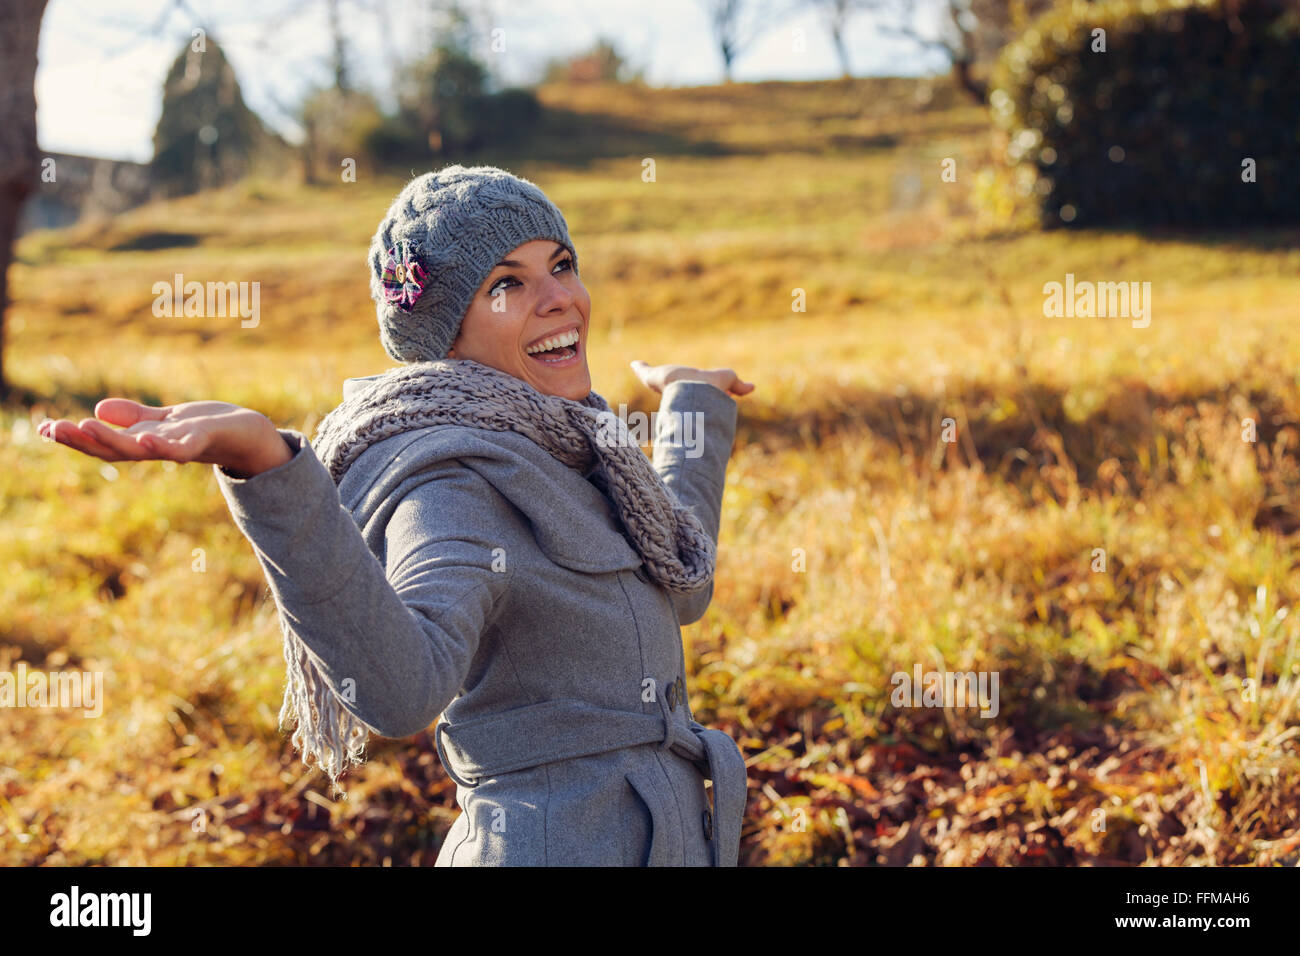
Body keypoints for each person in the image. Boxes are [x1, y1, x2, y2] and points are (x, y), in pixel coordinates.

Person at [38, 164, 756, 866]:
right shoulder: (452, 480)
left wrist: (694, 400)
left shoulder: (575, 440)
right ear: (443, 334)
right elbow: (399, 689)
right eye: (506, 283)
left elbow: (679, 576)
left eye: (561, 265)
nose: (558, 297)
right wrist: (268, 470)